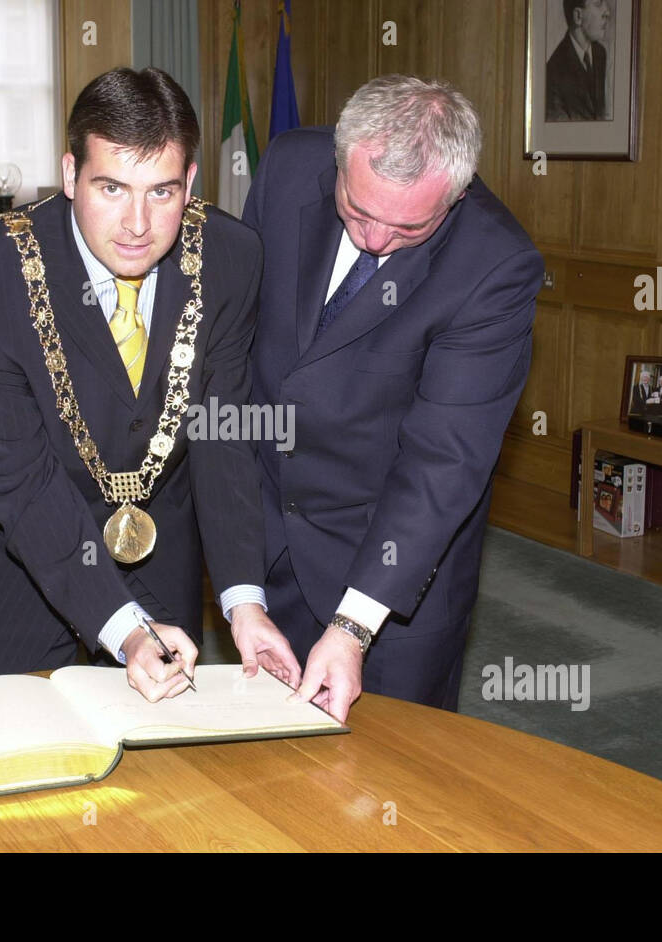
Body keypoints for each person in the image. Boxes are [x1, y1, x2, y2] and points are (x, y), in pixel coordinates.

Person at [0, 67, 298, 701]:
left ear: (189, 183)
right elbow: (21, 483)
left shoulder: (232, 259)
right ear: (71, 174)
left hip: (161, 520)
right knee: (25, 730)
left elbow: (223, 439)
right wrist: (127, 630)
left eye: (161, 192)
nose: (136, 223)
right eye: (111, 188)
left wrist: (243, 600)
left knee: (162, 740)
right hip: (24, 533)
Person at [243, 75, 543, 720]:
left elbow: (444, 460)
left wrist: (353, 625)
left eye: (408, 226)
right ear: (338, 162)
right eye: (357, 211)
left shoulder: (495, 264)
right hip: (268, 534)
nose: (374, 241)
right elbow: (239, 340)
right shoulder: (291, 164)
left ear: (457, 194)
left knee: (396, 786)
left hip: (388, 566)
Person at [545, 0, 610, 122]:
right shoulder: (553, 72)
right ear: (578, 16)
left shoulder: (600, 53)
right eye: (598, 3)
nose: (607, 12)